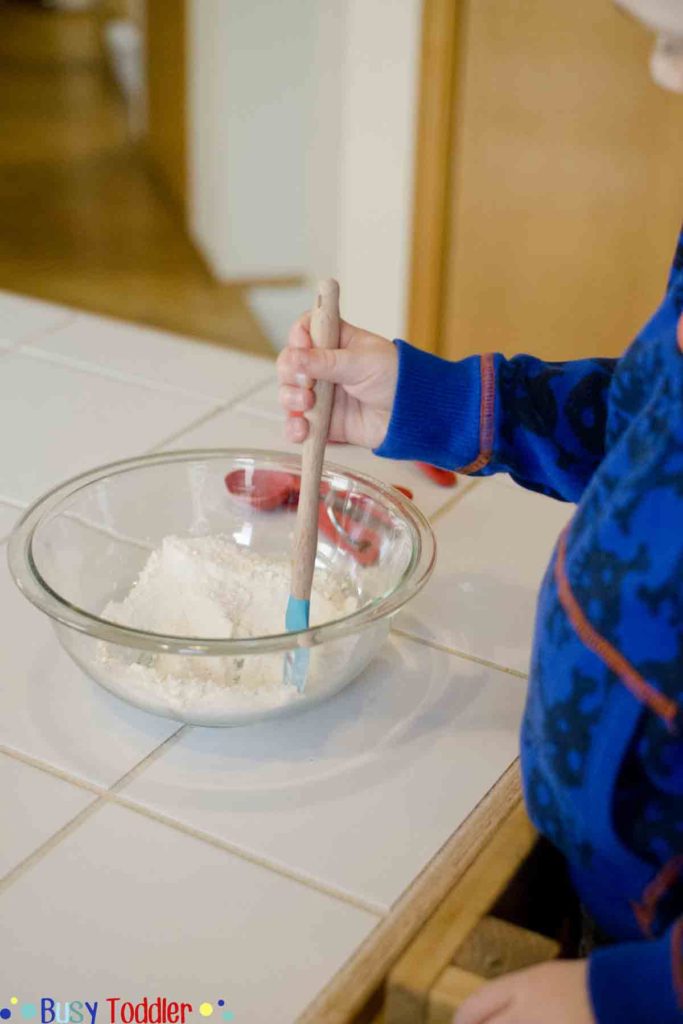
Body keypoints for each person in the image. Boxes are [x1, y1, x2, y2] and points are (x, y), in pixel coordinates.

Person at [277, 4, 682, 1022]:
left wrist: (629, 996)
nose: (664, 82)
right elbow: (640, 423)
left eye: (679, 46)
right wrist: (428, 401)